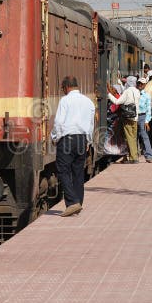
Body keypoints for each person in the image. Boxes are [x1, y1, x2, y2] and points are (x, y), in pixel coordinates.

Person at [51, 76, 95, 217]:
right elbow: (90, 125)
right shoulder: (88, 102)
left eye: (63, 89)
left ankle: (72, 203)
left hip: (67, 139)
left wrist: (55, 137)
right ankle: (78, 204)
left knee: (63, 170)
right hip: (82, 139)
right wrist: (88, 141)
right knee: (78, 172)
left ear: (66, 87)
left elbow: (58, 122)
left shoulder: (65, 100)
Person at [107, 76, 140, 163]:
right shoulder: (137, 91)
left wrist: (109, 94)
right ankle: (135, 155)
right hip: (135, 117)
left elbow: (117, 102)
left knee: (129, 137)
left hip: (128, 117)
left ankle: (133, 158)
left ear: (128, 82)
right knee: (133, 137)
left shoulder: (127, 91)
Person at [136, 78, 152, 163]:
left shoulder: (147, 96)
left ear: (144, 85)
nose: (140, 85)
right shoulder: (134, 93)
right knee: (133, 137)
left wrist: (147, 121)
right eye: (139, 83)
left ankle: (149, 156)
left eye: (142, 84)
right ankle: (134, 155)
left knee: (144, 136)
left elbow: (148, 109)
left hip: (142, 117)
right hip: (133, 117)